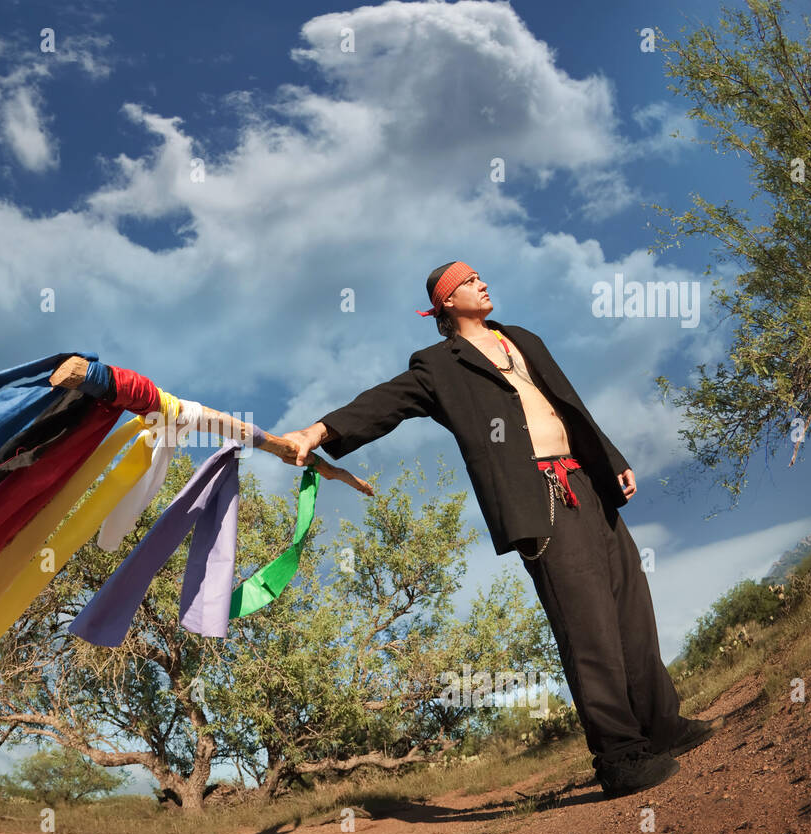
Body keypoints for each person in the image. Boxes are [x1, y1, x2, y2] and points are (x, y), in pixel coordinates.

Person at [281, 260, 722, 799]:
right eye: (468, 282)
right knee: (587, 628)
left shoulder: (522, 339)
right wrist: (318, 430)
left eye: (480, 277)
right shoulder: (438, 366)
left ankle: (664, 727)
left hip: (585, 482)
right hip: (538, 500)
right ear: (445, 303)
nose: (482, 284)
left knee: (631, 608)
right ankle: (620, 757)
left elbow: (568, 404)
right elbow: (384, 403)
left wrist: (610, 458)